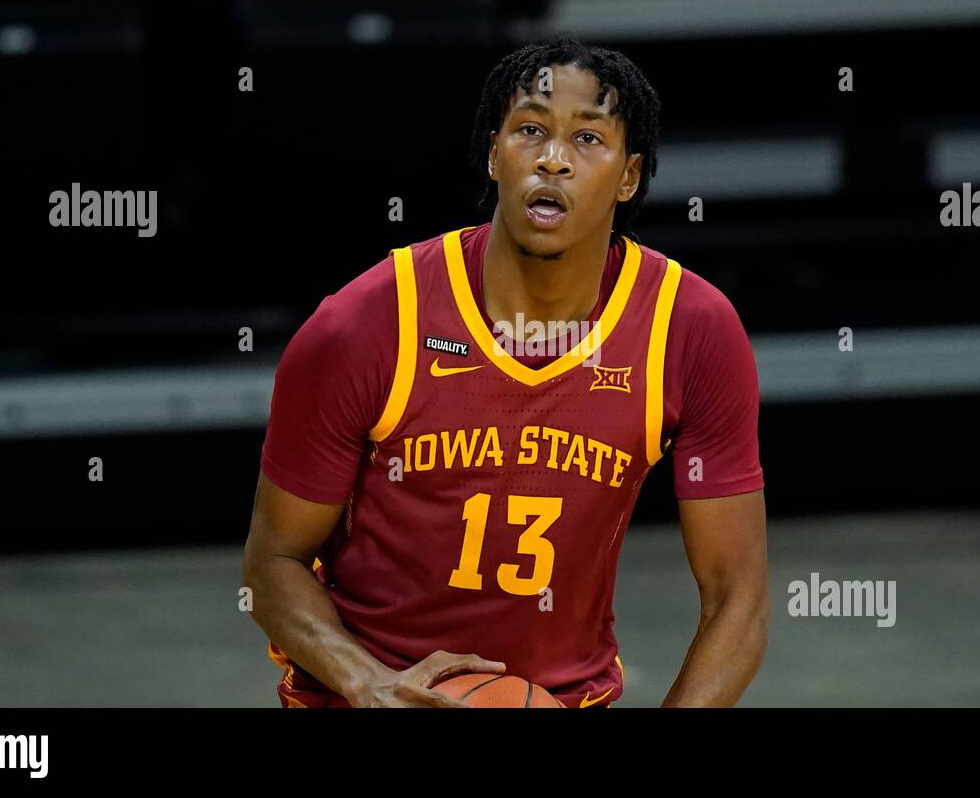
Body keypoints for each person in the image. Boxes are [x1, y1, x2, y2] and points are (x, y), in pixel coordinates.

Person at [243, 36, 768, 708]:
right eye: (530, 130)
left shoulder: (689, 331)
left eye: (587, 138)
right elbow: (271, 564)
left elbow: (737, 599)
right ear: (495, 153)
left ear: (630, 175)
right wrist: (367, 681)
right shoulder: (367, 325)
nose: (552, 159)